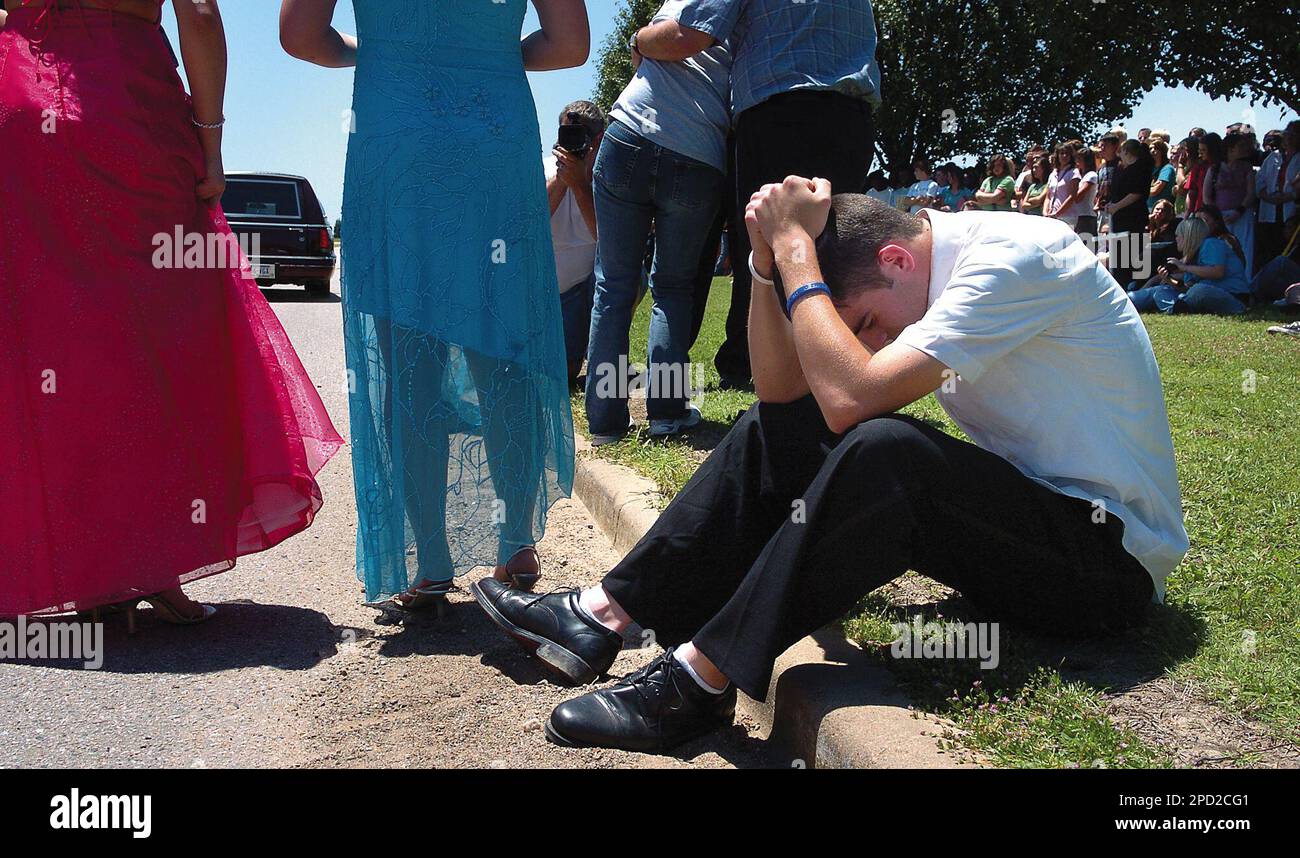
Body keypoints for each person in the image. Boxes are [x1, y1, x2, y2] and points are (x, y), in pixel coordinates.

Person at [472, 178, 1187, 754]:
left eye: (867, 325)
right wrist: (763, 261)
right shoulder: (936, 268)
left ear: (897, 262)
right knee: (779, 429)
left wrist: (794, 243)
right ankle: (603, 614)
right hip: (1022, 540)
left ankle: (697, 684)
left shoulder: (1019, 256)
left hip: (1105, 569)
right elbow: (784, 399)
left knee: (887, 452)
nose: (868, 345)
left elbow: (849, 398)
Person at [0, 0, 342, 623]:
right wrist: (211, 143)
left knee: (50, 336)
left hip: (19, 102)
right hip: (126, 101)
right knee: (161, 334)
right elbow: (202, 14)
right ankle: (146, 563)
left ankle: (81, 565)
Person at [280, 0, 587, 608]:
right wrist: (490, 54)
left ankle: (429, 563)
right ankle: (515, 544)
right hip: (494, 136)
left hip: (397, 139)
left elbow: (299, 36)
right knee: (502, 350)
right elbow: (570, 45)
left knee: (407, 359)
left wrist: (380, 51)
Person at [643, 0, 881, 389]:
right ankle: (829, 364)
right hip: (850, 115)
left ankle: (750, 361)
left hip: (777, 110)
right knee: (833, 250)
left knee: (759, 245)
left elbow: (690, 35)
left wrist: (639, 41)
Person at [585, 2, 732, 443]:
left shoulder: (675, 5)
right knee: (672, 288)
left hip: (629, 133)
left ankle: (605, 423)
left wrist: (637, 38)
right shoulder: (755, 18)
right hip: (698, 151)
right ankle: (666, 414)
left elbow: (652, 51)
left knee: (612, 286)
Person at [545, 103, 604, 386]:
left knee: (632, 278)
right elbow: (531, 227)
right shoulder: (542, 170)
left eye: (578, 136)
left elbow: (607, 240)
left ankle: (602, 357)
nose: (571, 143)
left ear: (598, 141)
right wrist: (562, 179)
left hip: (581, 292)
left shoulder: (608, 178)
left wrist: (580, 184)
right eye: (566, 134)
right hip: (540, 294)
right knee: (553, 376)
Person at [1129, 215, 1249, 315]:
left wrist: (1184, 267)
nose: (1176, 240)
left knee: (1199, 290)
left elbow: (1217, 272)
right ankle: (1125, 301)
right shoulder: (1193, 256)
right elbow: (1186, 288)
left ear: (1188, 236)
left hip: (1234, 298)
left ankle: (1177, 307)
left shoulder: (1211, 244)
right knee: (1161, 290)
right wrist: (1168, 279)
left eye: (1178, 236)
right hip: (1198, 296)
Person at [1205, 131, 1258, 274]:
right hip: (1221, 217)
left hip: (1242, 215)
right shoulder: (1214, 169)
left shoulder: (1247, 168)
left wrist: (1239, 211)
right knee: (1222, 248)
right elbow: (1207, 196)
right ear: (1230, 149)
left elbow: (1251, 193)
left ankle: (1245, 283)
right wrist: (1217, 217)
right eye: (1240, 146)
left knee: (1245, 249)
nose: (1245, 149)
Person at [1106, 139, 1152, 289]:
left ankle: (1131, 286)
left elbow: (1136, 193)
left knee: (1131, 255)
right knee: (1119, 257)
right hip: (1120, 219)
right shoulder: (1125, 169)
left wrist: (1117, 206)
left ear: (1126, 151)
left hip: (1133, 219)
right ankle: (1121, 285)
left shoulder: (1140, 168)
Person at [1256, 120, 1299, 270]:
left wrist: (1289, 196)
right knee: (1269, 252)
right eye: (1287, 133)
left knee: (1288, 253)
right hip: (1269, 212)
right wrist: (1267, 196)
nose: (1289, 137)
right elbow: (1259, 181)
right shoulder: (1274, 157)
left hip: (1291, 213)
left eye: (1293, 134)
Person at [1043, 143, 1080, 226]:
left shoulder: (1074, 172)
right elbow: (1048, 196)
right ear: (1057, 156)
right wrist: (1045, 212)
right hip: (1051, 216)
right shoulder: (1053, 174)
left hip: (1067, 217)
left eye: (1067, 153)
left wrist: (1057, 213)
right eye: (1062, 153)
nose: (1064, 156)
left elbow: (1072, 196)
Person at [1149, 138, 1177, 210]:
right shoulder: (1150, 169)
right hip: (1147, 208)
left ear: (1162, 151)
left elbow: (1155, 191)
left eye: (1155, 148)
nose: (1152, 151)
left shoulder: (1167, 168)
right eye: (1150, 149)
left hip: (1161, 210)